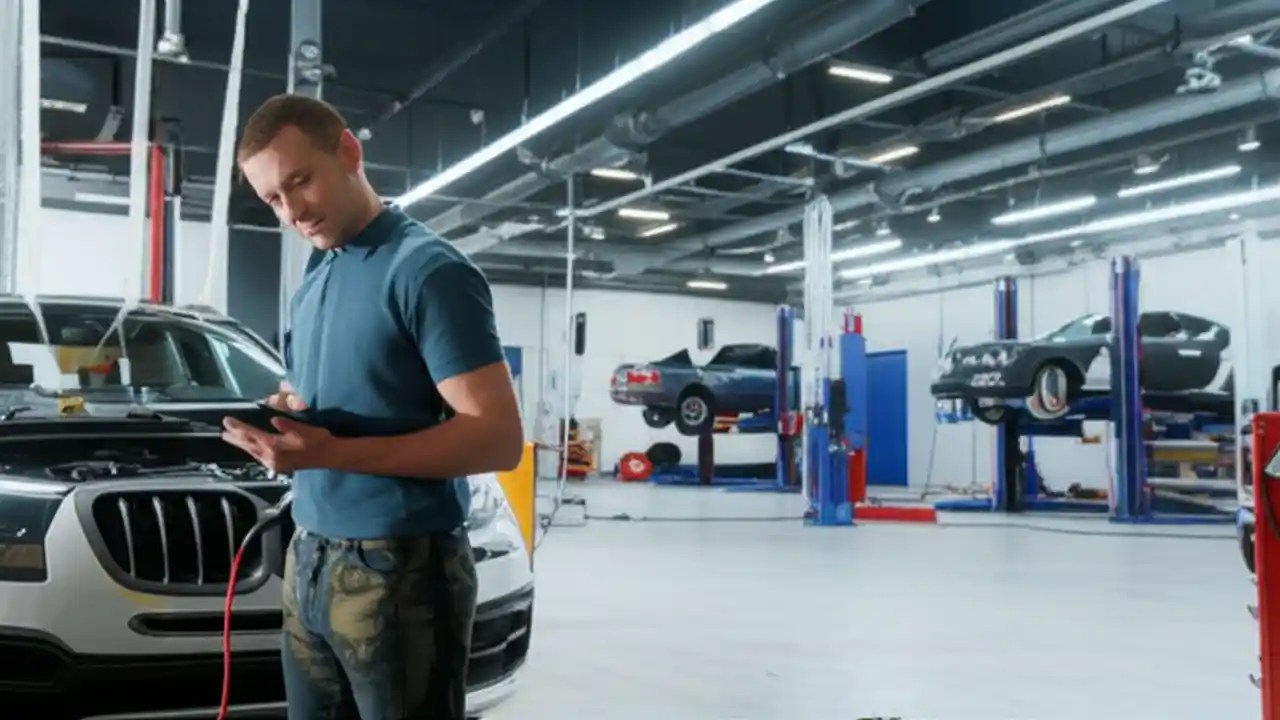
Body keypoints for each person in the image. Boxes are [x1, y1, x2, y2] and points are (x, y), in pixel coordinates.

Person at [221, 94, 525, 720]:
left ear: (349, 152)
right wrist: (291, 410)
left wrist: (333, 452)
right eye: (273, 199)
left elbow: (496, 438)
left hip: (400, 569)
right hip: (311, 557)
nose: (292, 212)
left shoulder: (429, 272)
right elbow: (353, 393)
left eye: (300, 181)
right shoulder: (318, 273)